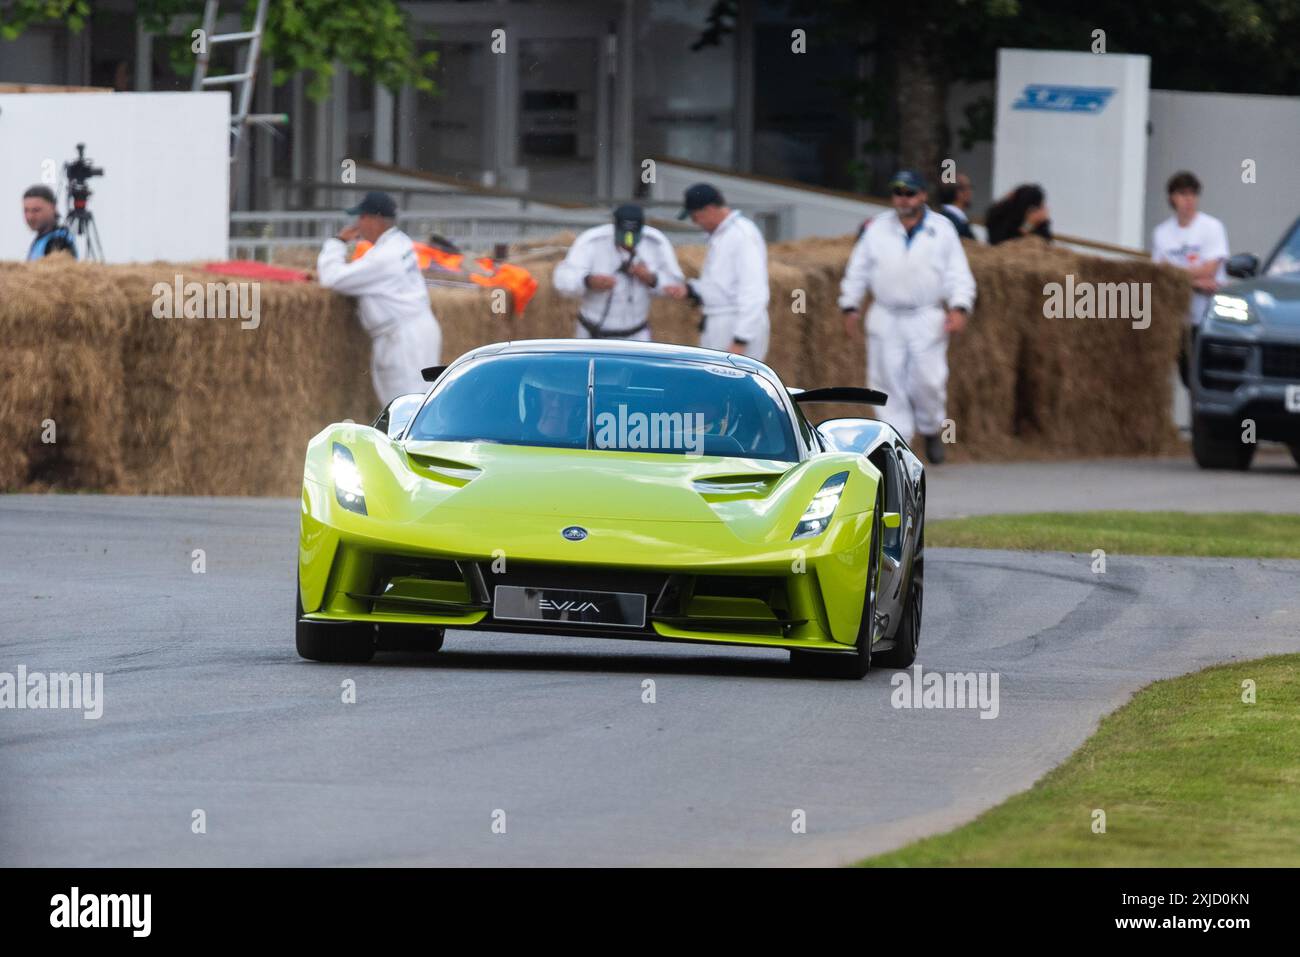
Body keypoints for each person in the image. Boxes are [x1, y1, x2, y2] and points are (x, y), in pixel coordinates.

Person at [838, 170, 976, 464]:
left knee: (928, 380)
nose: (903, 198)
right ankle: (896, 444)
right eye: (898, 192)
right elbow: (858, 269)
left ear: (922, 196)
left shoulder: (942, 229)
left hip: (925, 315)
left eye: (909, 192)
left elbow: (958, 273)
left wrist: (959, 306)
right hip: (886, 314)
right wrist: (850, 305)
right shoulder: (876, 228)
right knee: (886, 380)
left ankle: (930, 428)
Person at [317, 191, 442, 405]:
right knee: (419, 403)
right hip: (415, 331)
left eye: (362, 217)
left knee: (405, 408)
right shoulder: (399, 243)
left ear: (375, 220)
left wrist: (337, 243)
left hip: (403, 341)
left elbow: (331, 278)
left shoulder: (384, 257)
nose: (358, 223)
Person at [665, 183, 770, 360]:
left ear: (710, 209)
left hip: (734, 323)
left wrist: (740, 340)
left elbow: (754, 291)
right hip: (721, 321)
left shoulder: (741, 235)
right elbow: (720, 284)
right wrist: (690, 290)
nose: (695, 222)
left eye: (696, 216)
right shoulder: (722, 236)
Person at [552, 204, 685, 340]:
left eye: (633, 239)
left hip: (636, 335)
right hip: (594, 334)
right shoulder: (591, 241)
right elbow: (562, 282)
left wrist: (651, 279)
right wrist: (588, 281)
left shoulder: (656, 243)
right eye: (623, 238)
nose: (628, 244)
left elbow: (675, 285)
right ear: (614, 227)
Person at [985, 184, 1051, 245]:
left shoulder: (1039, 218)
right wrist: (1028, 225)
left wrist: (1044, 221)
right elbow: (1002, 243)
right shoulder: (1001, 214)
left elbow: (1046, 244)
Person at [23, 185, 77, 260]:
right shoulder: (42, 239)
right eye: (26, 210)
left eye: (36, 210)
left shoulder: (58, 242)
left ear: (53, 208)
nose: (30, 217)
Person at [936, 173, 975, 240]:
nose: (971, 192)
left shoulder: (940, 218)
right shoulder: (954, 223)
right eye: (969, 187)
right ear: (959, 192)